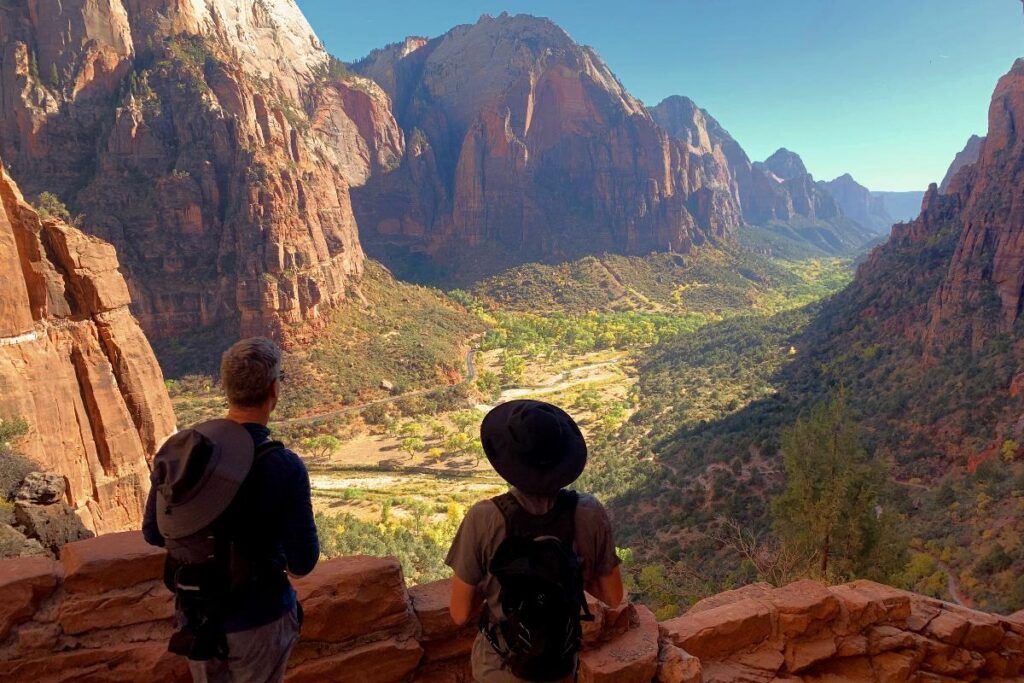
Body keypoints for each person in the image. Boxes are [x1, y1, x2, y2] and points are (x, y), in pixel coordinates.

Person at [143, 337, 319, 683]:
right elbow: (303, 562)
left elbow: (153, 532)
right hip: (260, 620)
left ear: (226, 388)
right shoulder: (283, 465)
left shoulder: (183, 452)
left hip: (196, 620)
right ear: (274, 390)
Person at [446, 400, 625, 682]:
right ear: (563, 458)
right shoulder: (589, 512)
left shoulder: (485, 517)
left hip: (500, 667)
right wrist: (569, 577)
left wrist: (497, 582)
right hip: (560, 662)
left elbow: (459, 613)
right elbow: (613, 597)